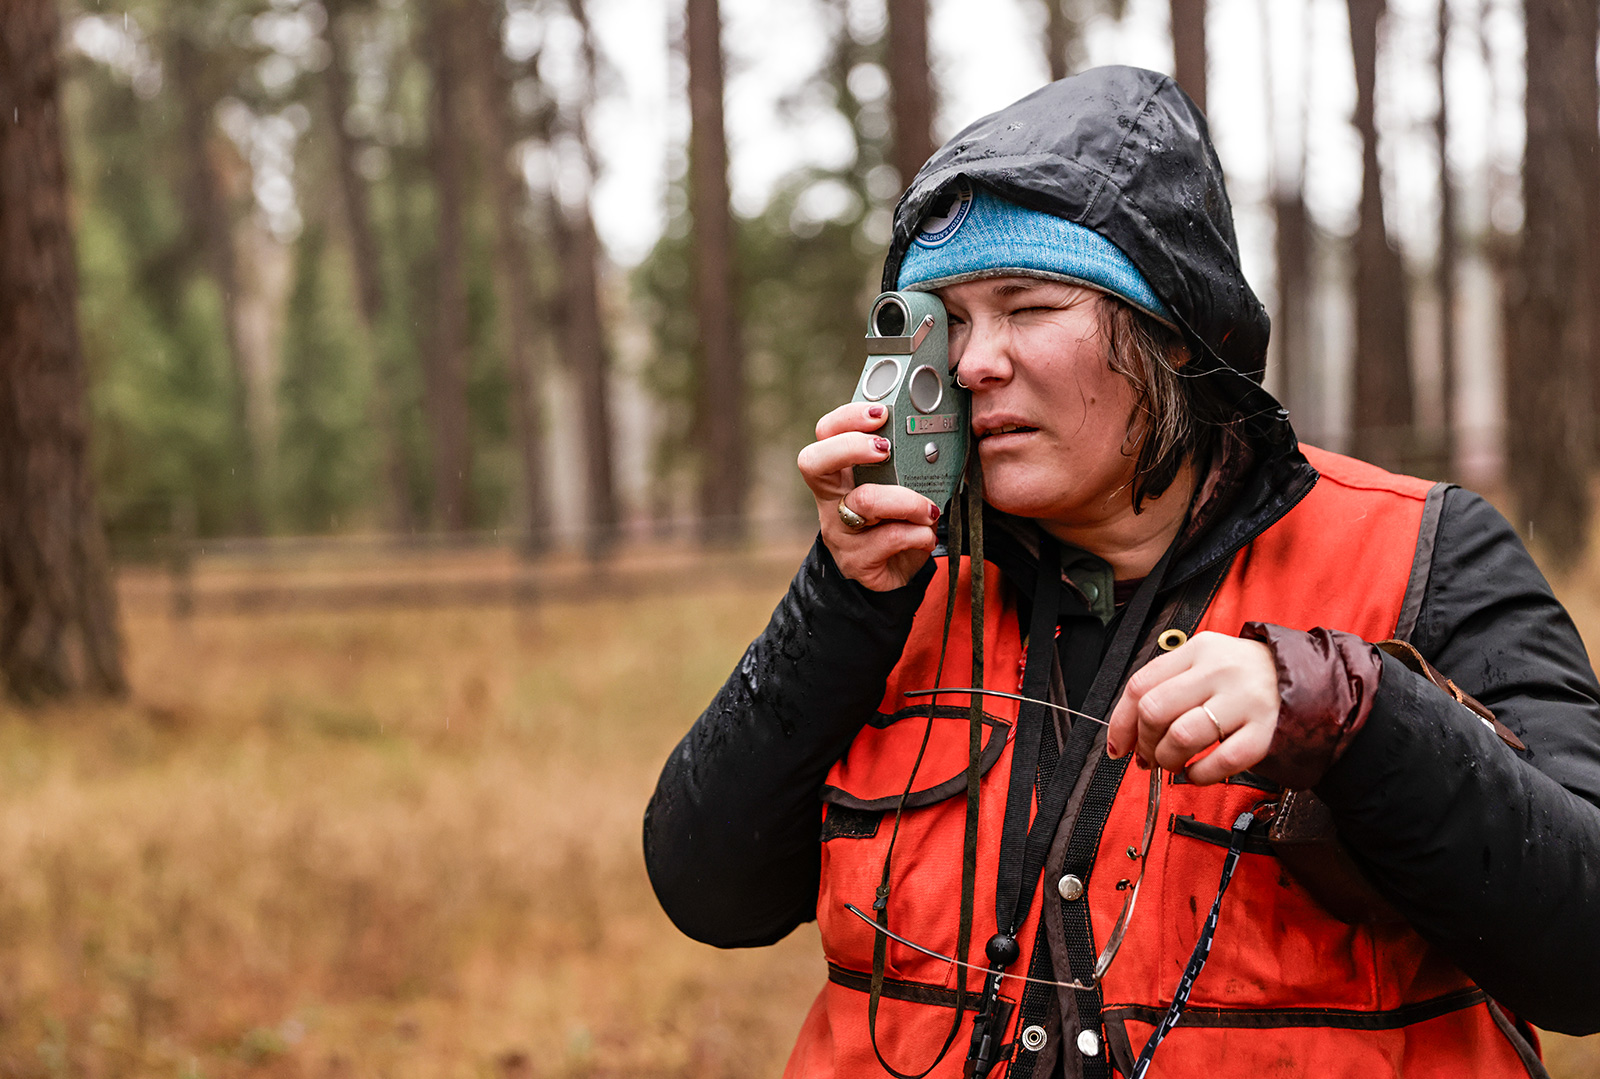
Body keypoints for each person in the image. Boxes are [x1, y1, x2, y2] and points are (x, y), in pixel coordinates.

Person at [643, 66, 1600, 1079]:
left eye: (1026, 304)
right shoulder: (900, 579)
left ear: (1174, 332)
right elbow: (712, 891)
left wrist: (1344, 710)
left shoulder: (1421, 553)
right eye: (951, 319)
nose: (974, 362)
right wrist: (836, 602)